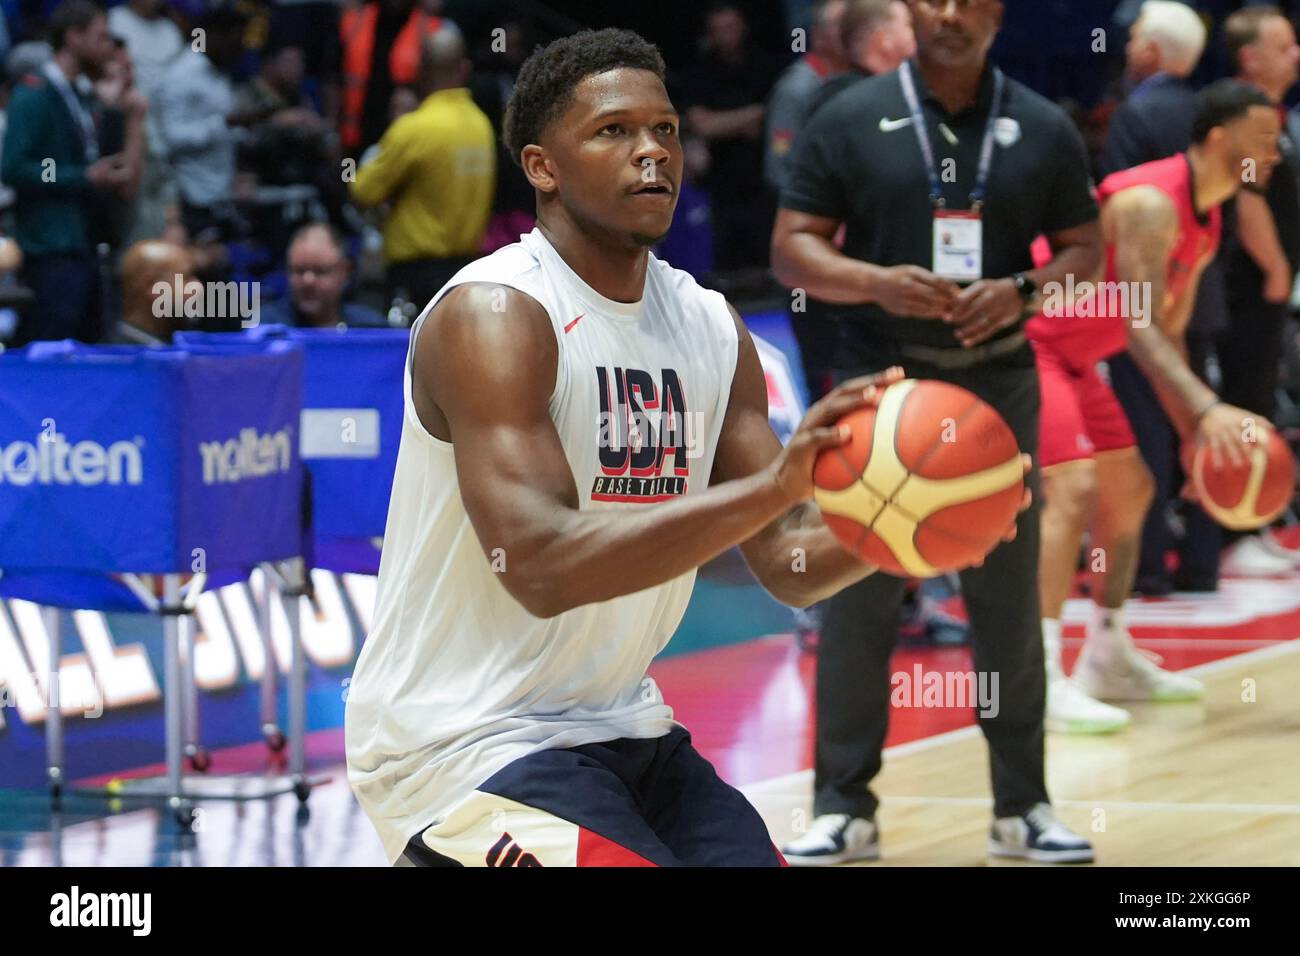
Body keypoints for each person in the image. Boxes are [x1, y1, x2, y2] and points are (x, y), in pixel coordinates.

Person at [344, 27, 1022, 868]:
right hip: (459, 746)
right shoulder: (496, 317)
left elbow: (787, 568)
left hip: (626, 728)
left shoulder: (709, 326)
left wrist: (915, 519)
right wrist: (777, 485)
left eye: (664, 130)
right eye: (613, 132)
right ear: (541, 166)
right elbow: (541, 565)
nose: (651, 154)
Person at [772, 0, 1103, 865]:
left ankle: (1022, 807)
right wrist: (876, 282)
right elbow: (793, 248)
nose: (951, 14)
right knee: (859, 595)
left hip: (998, 382)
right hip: (880, 383)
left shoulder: (1040, 124)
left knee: (1006, 596)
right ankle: (844, 806)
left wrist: (1025, 292)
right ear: (910, 10)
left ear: (997, 13)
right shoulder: (846, 114)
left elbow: (1083, 248)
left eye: (971, 1)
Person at [1035, 81, 1282, 717]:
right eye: (1263, 137)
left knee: (1134, 490)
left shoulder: (1211, 215)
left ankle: (1108, 655)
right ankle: (1034, 677)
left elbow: (1168, 332)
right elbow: (1140, 326)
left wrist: (1195, 439)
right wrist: (1206, 411)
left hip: (1078, 356)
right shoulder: (1150, 202)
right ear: (1222, 138)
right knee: (1074, 488)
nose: (1276, 150)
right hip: (1029, 342)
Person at [1216, 5, 1300, 576]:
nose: (1296, 55)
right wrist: (1275, 269)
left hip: (1261, 290)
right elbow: (1247, 197)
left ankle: (1253, 521)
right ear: (1251, 56)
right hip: (1245, 290)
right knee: (1245, 403)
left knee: (1259, 402)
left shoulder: (1272, 112)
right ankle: (1235, 531)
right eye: (1286, 46)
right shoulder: (1247, 112)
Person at [0, 0, 129, 345]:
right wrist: (79, 176)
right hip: (50, 245)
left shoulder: (76, 93)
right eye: (100, 37)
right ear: (73, 37)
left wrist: (115, 111)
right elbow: (16, 166)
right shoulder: (35, 93)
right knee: (51, 346)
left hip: (82, 240)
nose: (107, 46)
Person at [349, 27, 494, 313]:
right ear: (463, 68)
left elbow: (361, 190)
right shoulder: (482, 125)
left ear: (420, 70)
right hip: (469, 272)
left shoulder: (414, 128)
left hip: (415, 276)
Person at [677, 3, 780, 274]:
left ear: (743, 27)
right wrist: (750, 116)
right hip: (721, 188)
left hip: (763, 184)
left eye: (731, 27)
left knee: (769, 267)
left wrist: (724, 122)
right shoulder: (700, 74)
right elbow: (701, 125)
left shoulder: (765, 65)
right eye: (719, 30)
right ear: (710, 34)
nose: (727, 35)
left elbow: (775, 115)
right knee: (727, 272)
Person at [153, 5, 248, 242]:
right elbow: (171, 137)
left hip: (220, 191)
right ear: (213, 36)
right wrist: (225, 122)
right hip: (191, 195)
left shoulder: (219, 73)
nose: (240, 49)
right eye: (234, 41)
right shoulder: (181, 75)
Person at [1099, 0, 1207, 178]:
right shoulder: (1205, 110)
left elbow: (1119, 194)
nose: (1128, 47)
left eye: (1133, 39)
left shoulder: (1133, 114)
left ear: (1150, 52)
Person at [339, 0, 459, 156]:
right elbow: (334, 79)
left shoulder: (433, 28)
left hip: (410, 140)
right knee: (354, 178)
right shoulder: (354, 22)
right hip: (357, 138)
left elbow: (442, 90)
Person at [764, 0, 850, 197]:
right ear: (819, 35)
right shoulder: (796, 89)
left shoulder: (858, 77)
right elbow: (780, 165)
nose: (851, 31)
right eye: (842, 25)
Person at [261, 222, 385, 328]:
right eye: (299, 270)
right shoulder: (265, 330)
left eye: (320, 271)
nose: (307, 281)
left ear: (345, 272)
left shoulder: (372, 329)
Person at [105, 237, 194, 345]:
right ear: (151, 285)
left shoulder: (165, 346)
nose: (197, 286)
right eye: (186, 278)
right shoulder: (119, 358)